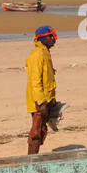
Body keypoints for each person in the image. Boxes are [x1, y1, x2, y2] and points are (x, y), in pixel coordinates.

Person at [25, 25, 58, 155]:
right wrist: (41, 103)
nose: (53, 39)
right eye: (50, 36)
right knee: (36, 132)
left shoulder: (45, 52)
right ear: (41, 38)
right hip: (39, 102)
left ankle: (34, 157)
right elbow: (35, 81)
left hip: (46, 100)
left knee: (41, 130)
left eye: (53, 36)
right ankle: (31, 160)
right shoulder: (37, 54)